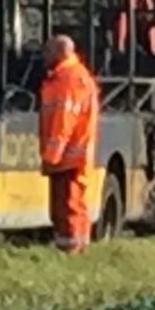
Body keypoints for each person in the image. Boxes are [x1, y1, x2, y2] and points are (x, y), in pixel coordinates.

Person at [39, 34, 99, 254]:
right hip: (73, 155)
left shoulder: (68, 79)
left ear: (60, 52)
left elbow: (64, 120)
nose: (44, 56)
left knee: (67, 207)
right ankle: (78, 247)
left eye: (48, 51)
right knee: (73, 206)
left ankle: (70, 250)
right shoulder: (72, 76)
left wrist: (52, 154)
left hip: (68, 157)